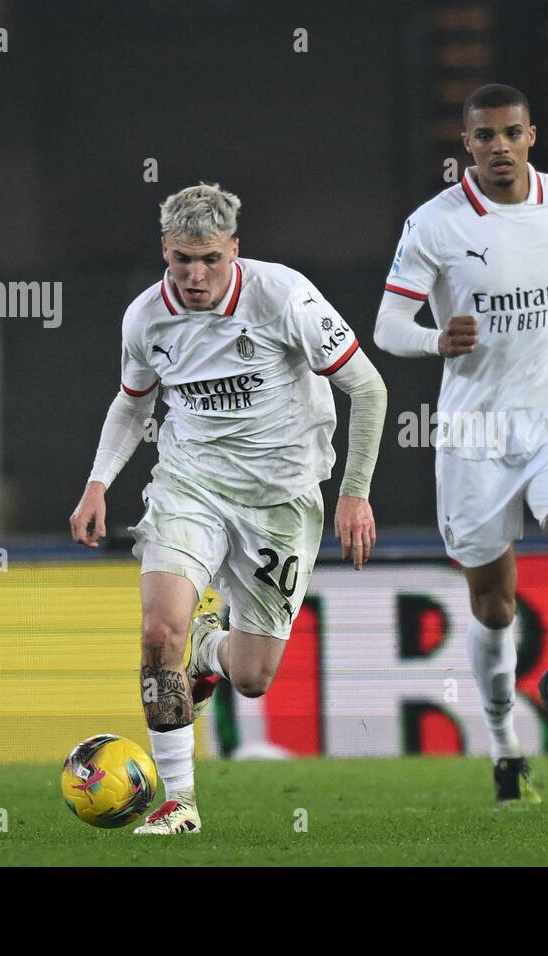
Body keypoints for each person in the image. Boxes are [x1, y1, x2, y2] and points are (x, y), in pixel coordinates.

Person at [69, 183, 387, 834]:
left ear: (234, 250)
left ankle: (211, 650)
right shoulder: (145, 318)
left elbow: (369, 388)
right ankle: (178, 802)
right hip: (190, 487)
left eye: (210, 258)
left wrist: (355, 492)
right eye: (182, 258)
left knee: (251, 677)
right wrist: (99, 482)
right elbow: (134, 403)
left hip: (281, 500)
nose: (195, 274)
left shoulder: (283, 297)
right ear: (164, 250)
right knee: (159, 633)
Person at [375, 84, 548, 804]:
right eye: (486, 137)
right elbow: (389, 324)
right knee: (493, 605)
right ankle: (505, 746)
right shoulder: (435, 225)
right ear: (468, 146)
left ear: (532, 135)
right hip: (475, 432)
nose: (501, 147)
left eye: (512, 133)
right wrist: (434, 340)